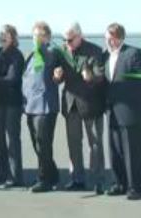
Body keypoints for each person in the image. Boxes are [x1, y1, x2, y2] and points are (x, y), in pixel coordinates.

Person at [101, 23, 141, 201]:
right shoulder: (105, 56)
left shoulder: (133, 53)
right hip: (112, 111)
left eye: (113, 38)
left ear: (120, 38)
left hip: (132, 113)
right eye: (107, 38)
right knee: (116, 150)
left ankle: (136, 188)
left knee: (132, 152)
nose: (110, 41)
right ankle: (119, 184)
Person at [58, 22, 107, 194]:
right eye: (64, 39)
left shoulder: (94, 50)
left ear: (80, 36)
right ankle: (77, 178)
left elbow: (101, 75)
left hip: (91, 104)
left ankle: (98, 180)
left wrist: (91, 77)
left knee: (95, 144)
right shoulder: (63, 50)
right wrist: (57, 77)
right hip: (70, 104)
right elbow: (58, 75)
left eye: (70, 39)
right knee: (73, 144)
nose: (67, 43)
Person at [21, 20, 64, 193]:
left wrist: (58, 75)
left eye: (40, 35)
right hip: (31, 106)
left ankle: (44, 180)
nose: (36, 39)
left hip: (45, 107)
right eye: (34, 35)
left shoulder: (51, 52)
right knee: (37, 144)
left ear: (48, 37)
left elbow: (58, 72)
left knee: (43, 144)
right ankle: (52, 175)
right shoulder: (32, 54)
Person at [0, 24, 26, 189]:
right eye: (1, 35)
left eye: (6, 35)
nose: (2, 37)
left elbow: (12, 79)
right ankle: (2, 172)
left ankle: (15, 176)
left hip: (13, 103)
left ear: (13, 37)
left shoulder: (17, 56)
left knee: (12, 139)